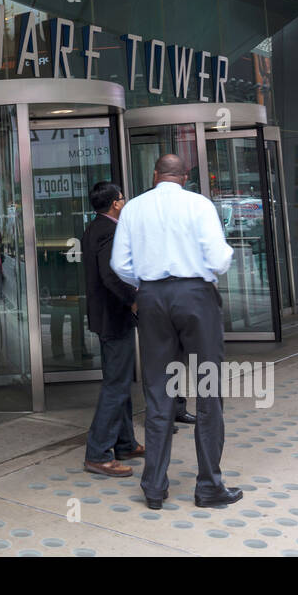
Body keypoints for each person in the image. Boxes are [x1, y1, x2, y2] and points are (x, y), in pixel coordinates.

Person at [111, 154, 239, 510]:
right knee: (208, 389)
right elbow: (217, 259)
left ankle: (153, 486)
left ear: (155, 175)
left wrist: (149, 285)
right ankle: (209, 486)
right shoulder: (199, 205)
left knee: (159, 390)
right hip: (196, 297)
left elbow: (120, 264)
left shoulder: (134, 208)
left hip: (152, 299)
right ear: (185, 176)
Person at [81, 182, 144, 477]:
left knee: (119, 381)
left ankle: (125, 442)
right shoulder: (109, 231)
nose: (125, 200)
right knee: (116, 385)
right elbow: (110, 275)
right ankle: (97, 453)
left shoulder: (94, 227)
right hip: (113, 316)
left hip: (106, 317)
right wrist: (132, 300)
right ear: (116, 204)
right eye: (122, 197)